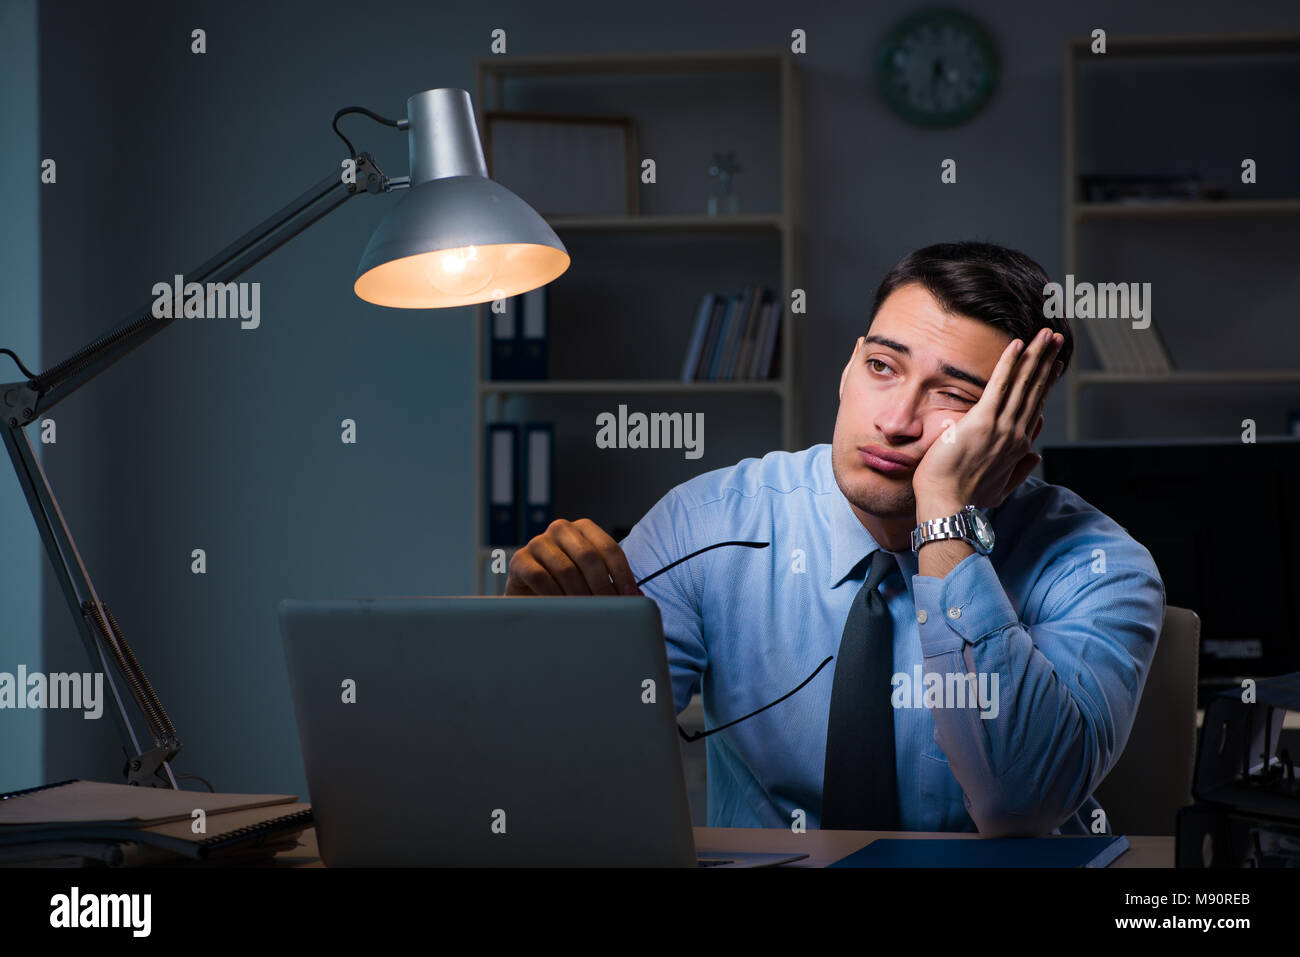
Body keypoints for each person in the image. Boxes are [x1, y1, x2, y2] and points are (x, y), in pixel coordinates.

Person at [505, 241, 1165, 837]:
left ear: (1015, 434)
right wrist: (546, 639)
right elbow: (578, 764)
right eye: (883, 366)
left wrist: (944, 517)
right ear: (849, 367)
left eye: (953, 396)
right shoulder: (709, 524)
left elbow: (1017, 803)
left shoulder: (1100, 567)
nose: (896, 419)